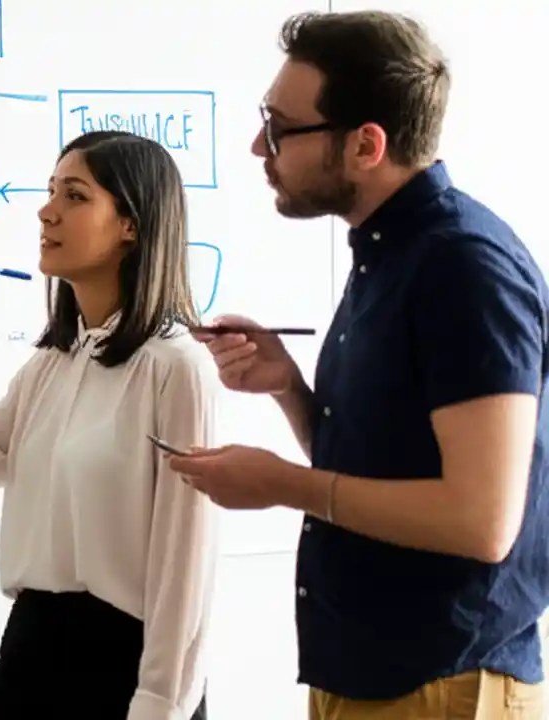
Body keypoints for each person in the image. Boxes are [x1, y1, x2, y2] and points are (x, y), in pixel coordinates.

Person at [167, 10, 549, 719]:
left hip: (441, 686)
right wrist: (287, 388)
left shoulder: (463, 268)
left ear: (366, 145)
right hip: (375, 677)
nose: (259, 145)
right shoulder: (390, 256)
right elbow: (381, 471)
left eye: (280, 127)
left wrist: (282, 484)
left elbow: (480, 520)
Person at [0, 129, 220, 719]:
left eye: (75, 196)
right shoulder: (48, 367)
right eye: (51, 190)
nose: (46, 210)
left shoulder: (176, 368)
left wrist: (159, 705)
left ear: (131, 223)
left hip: (127, 668)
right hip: (31, 652)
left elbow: (185, 568)